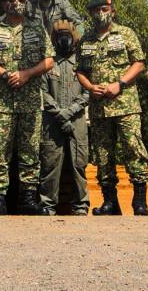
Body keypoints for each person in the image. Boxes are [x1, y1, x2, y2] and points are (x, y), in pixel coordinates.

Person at [0, 0, 54, 215]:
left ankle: (28, 199)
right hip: (2, 100)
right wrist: (5, 74)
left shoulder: (37, 28)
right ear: (4, 4)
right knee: (0, 150)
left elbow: (49, 60)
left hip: (30, 100)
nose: (18, 2)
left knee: (30, 149)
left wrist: (27, 74)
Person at [77, 0, 148, 216]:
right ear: (90, 13)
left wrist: (120, 83)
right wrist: (90, 87)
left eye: (105, 10)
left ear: (113, 12)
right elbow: (80, 71)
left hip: (125, 105)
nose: (101, 14)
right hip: (99, 108)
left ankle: (140, 202)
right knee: (103, 155)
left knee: (134, 150)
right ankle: (110, 202)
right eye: (96, 10)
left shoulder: (126, 33)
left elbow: (139, 63)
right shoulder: (86, 39)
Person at [39, 20, 89, 215]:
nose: (63, 40)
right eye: (59, 37)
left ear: (74, 37)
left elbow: (87, 92)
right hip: (52, 122)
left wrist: (69, 112)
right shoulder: (48, 63)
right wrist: (59, 115)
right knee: (50, 165)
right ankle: (47, 205)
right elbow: (43, 91)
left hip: (77, 121)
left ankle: (81, 206)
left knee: (79, 164)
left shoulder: (82, 62)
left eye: (67, 36)